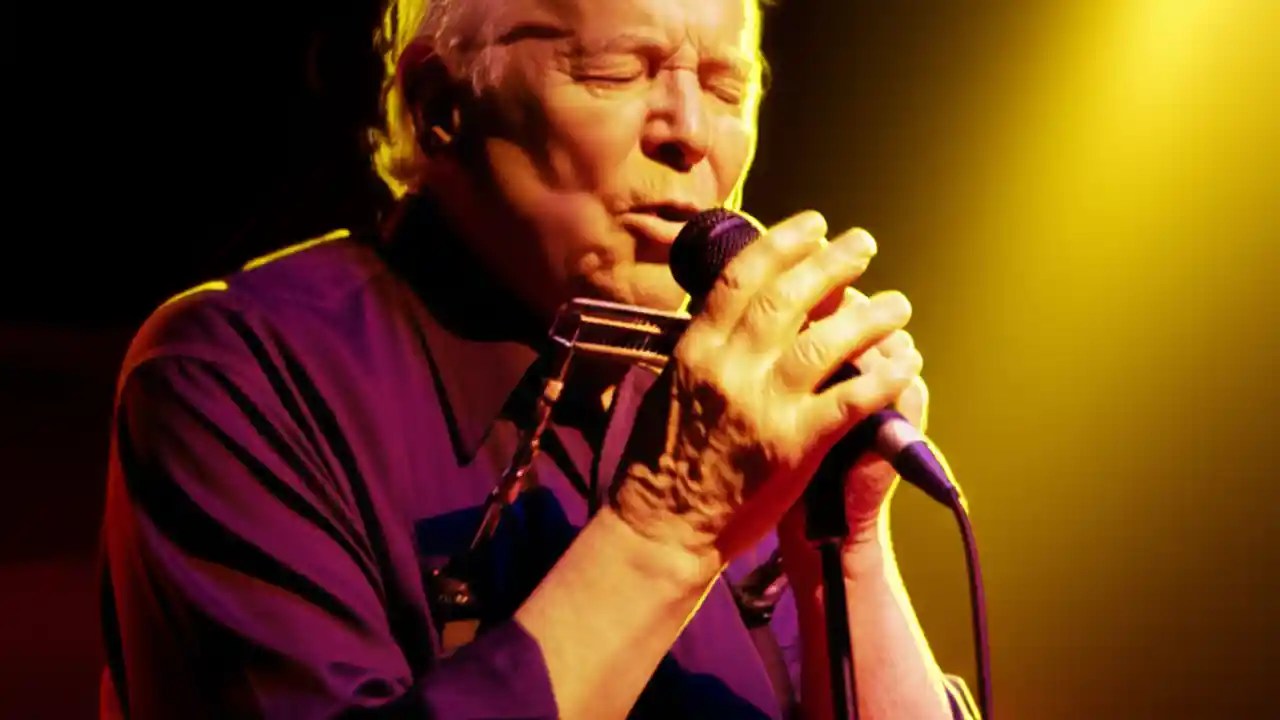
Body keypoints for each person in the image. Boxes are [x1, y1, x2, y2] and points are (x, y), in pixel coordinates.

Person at [97, 0, 980, 718]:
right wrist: (669, 522)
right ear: (442, 106)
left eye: (725, 83)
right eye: (619, 71)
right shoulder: (238, 373)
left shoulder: (720, 397)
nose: (690, 132)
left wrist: (846, 540)